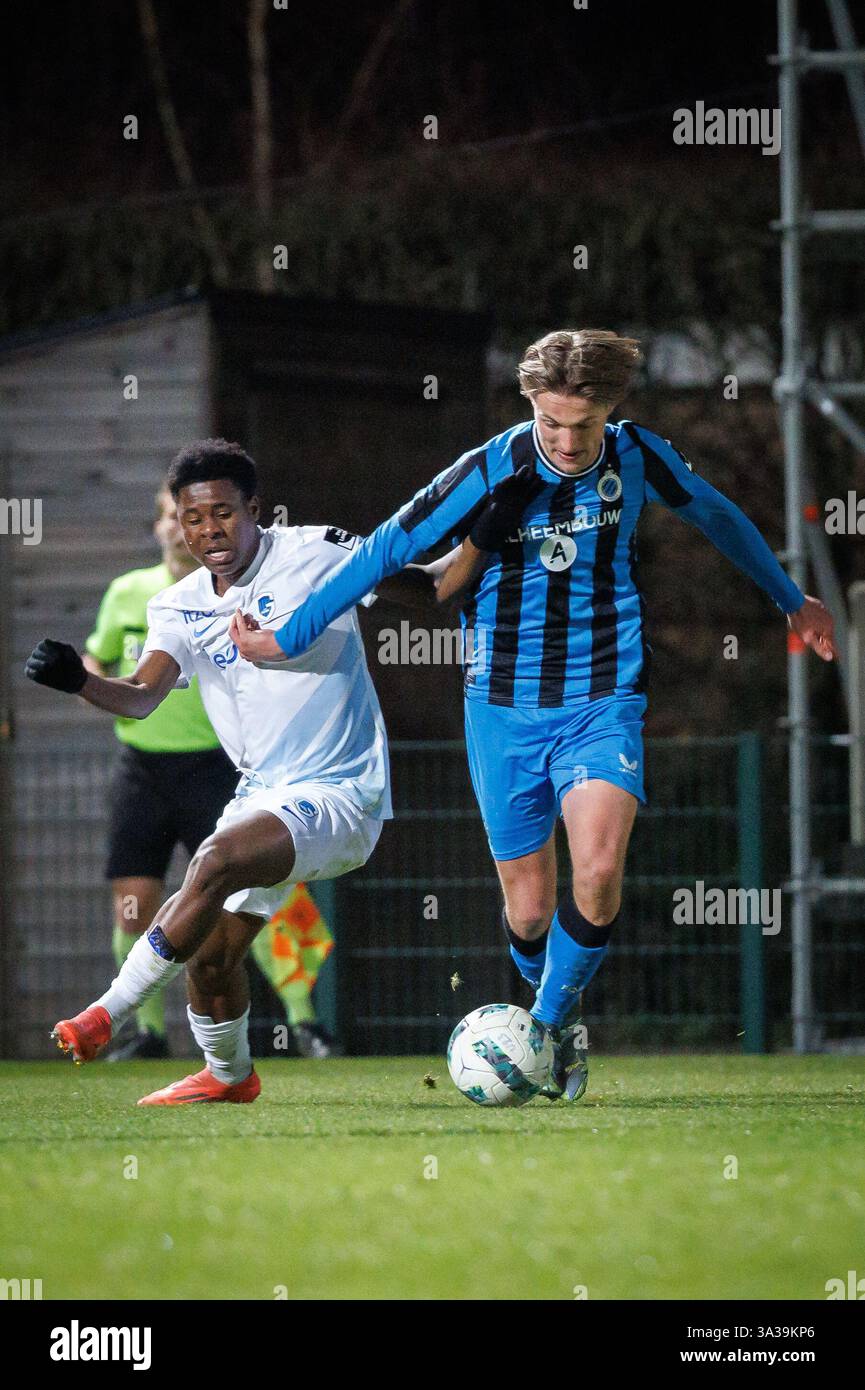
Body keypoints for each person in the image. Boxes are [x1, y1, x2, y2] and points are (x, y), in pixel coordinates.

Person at [230, 329, 838, 1103]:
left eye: (583, 426)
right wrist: (288, 635)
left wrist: (793, 601)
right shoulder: (489, 468)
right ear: (529, 406)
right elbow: (385, 550)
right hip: (500, 711)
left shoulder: (638, 457)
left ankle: (542, 1032)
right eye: (551, 423)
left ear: (610, 411)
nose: (566, 441)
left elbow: (717, 516)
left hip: (602, 699)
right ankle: (554, 1024)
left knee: (599, 868)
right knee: (527, 911)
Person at [26, 438, 451, 1105]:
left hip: (341, 793)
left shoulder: (316, 553)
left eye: (222, 513)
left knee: (215, 858)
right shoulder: (178, 604)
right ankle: (228, 1076)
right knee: (213, 956)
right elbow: (140, 697)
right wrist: (80, 680)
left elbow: (426, 589)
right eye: (193, 519)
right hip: (261, 797)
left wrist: (490, 543)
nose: (208, 531)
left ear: (254, 508)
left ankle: (104, 1013)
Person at [83, 486, 238, 1059]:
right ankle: (146, 1032)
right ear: (158, 530)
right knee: (135, 901)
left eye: (193, 517)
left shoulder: (225, 593)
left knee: (246, 896)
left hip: (216, 765)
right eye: (173, 518)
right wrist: (84, 676)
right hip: (143, 769)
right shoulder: (129, 592)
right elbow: (98, 655)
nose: (181, 527)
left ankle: (305, 1022)